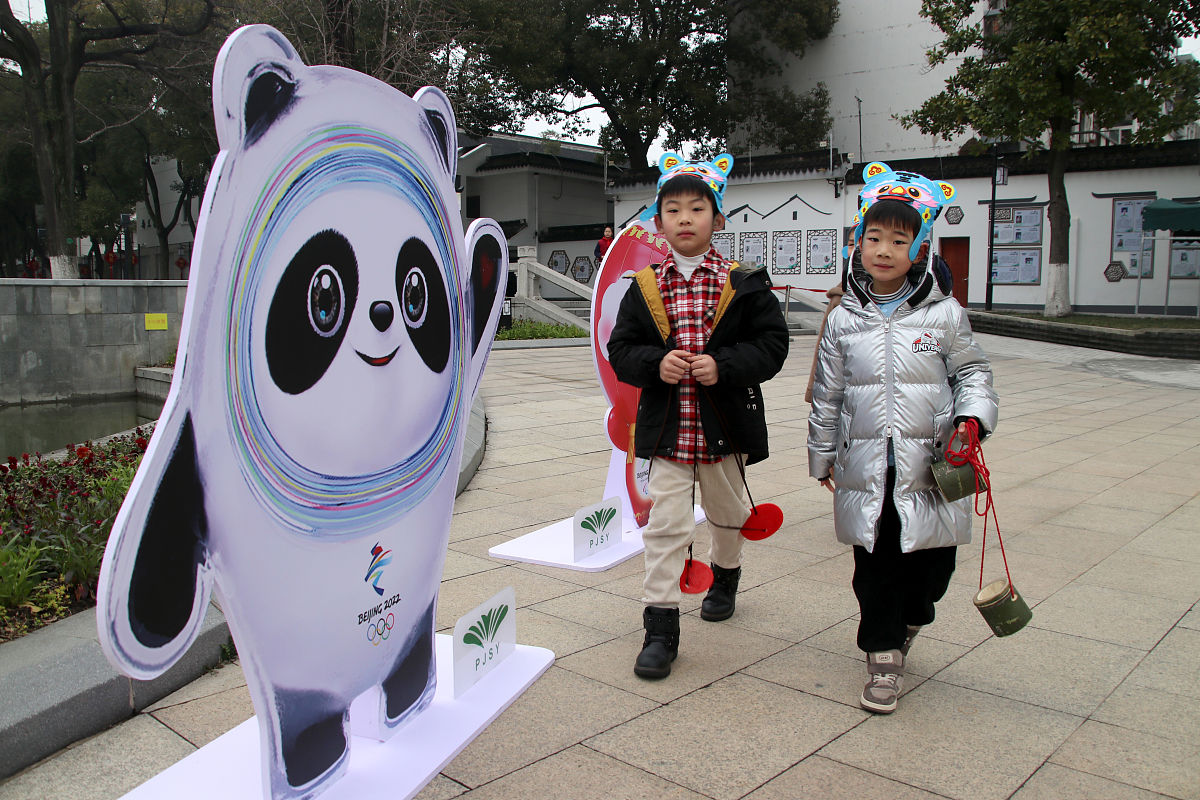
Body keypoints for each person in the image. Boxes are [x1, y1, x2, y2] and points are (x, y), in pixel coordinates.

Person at [808, 162, 998, 713]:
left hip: (934, 467)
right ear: (858, 244)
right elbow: (827, 395)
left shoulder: (945, 314)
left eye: (899, 239)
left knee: (933, 571)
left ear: (919, 249)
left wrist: (971, 420)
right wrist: (823, 458)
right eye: (873, 237)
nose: (884, 249)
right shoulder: (844, 318)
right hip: (868, 467)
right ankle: (883, 654)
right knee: (876, 567)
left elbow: (974, 374)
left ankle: (912, 619)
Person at [608, 153, 789, 679]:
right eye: (673, 209)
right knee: (665, 527)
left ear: (719, 220)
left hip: (723, 429)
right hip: (666, 430)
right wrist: (654, 363)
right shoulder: (642, 286)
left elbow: (773, 345)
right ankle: (661, 629)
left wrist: (724, 365)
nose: (685, 218)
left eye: (697, 208)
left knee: (727, 512)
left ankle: (726, 575)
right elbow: (622, 350)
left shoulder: (745, 282)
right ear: (658, 222)